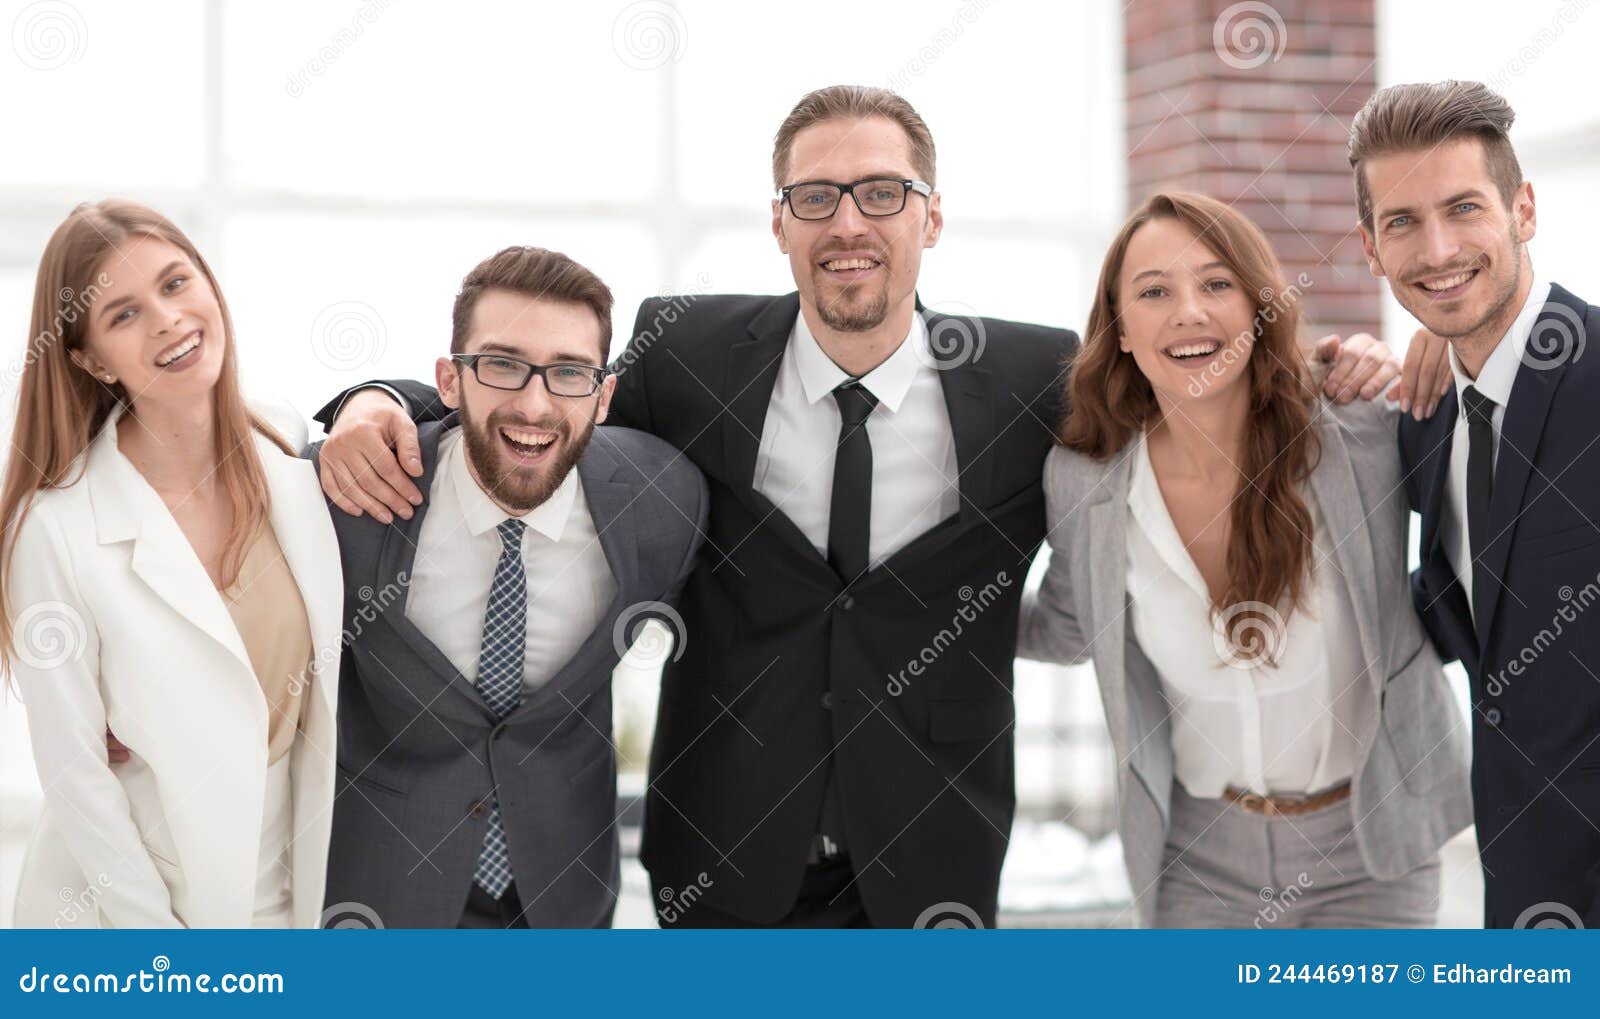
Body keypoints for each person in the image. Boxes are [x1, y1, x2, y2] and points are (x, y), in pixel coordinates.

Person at [312, 88, 1424, 928]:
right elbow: (540, 389)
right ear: (780, 223)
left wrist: (1328, 369)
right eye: (817, 197)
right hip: (720, 861)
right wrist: (380, 400)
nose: (849, 220)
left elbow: (1186, 385)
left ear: (931, 218)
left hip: (931, 865)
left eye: (882, 193)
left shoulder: (1030, 381)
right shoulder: (685, 351)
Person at [1020, 191, 1471, 927]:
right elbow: (1070, 627)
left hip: (1371, 848)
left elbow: (1486, 514)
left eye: (1217, 283)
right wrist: (924, 609)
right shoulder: (1087, 480)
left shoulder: (1356, 431)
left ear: (1258, 305)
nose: (1189, 311)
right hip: (1198, 857)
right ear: (1122, 329)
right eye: (1154, 292)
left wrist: (1440, 352)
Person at [308, 246, 706, 928]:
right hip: (375, 897)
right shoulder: (348, 496)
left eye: (569, 372)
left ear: (603, 396)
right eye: (501, 364)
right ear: (450, 380)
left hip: (564, 901)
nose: (533, 403)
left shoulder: (665, 501)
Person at [2, 200, 342, 928]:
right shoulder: (55, 530)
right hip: (120, 913)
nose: (166, 319)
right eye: (124, 314)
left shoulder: (284, 444)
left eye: (175, 282)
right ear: (91, 359)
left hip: (283, 890)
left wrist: (377, 400)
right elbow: (75, 775)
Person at [1352, 79, 1600, 929]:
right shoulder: (1425, 420)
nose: (1438, 249)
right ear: (1371, 248)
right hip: (1527, 890)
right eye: (1402, 222)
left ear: (1523, 209)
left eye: (1463, 208)